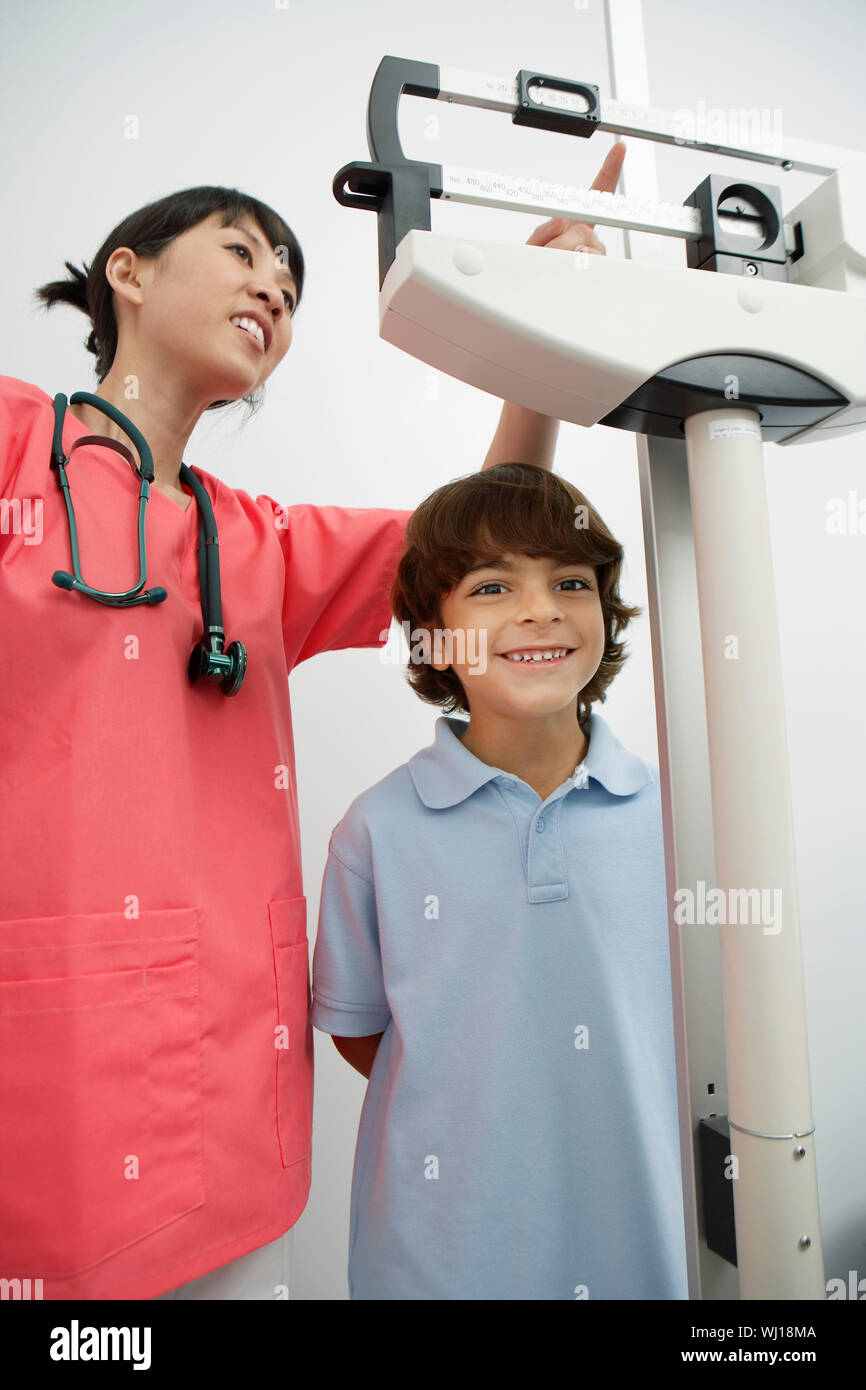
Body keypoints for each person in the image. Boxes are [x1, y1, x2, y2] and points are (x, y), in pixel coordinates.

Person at [0, 145, 626, 1301]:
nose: (271, 290)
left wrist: (534, 334)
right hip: (46, 1093)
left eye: (289, 288)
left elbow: (475, 543)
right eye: (240, 252)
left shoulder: (262, 544)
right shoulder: (14, 445)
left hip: (230, 1112)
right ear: (126, 275)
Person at [311, 462, 689, 1300]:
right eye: (491, 587)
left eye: (570, 580)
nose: (541, 610)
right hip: (438, 1260)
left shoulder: (683, 819)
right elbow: (364, 1035)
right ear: (431, 630)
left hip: (647, 1249)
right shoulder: (376, 831)